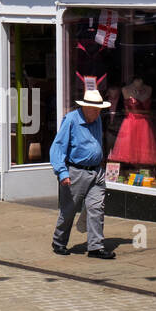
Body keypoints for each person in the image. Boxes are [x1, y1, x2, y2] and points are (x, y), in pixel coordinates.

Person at [50, 87, 115, 259]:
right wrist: (62, 172)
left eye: (99, 109)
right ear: (85, 107)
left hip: (96, 171)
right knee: (68, 211)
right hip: (76, 172)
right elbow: (57, 147)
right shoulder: (71, 120)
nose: (97, 112)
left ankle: (95, 247)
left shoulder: (98, 119)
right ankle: (59, 242)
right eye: (95, 109)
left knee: (96, 208)